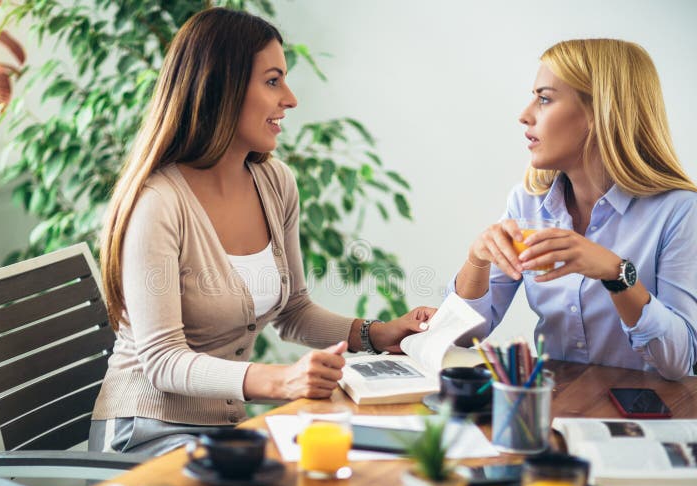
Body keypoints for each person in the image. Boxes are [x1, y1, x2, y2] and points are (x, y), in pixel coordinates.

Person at [89, 7, 434, 455]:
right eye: (273, 81)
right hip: (145, 432)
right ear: (221, 89)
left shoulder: (274, 183)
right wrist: (281, 379)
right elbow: (162, 362)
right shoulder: (158, 203)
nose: (290, 99)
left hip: (220, 432)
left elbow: (293, 311)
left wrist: (377, 333)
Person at [451, 39, 697, 380]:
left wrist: (616, 273)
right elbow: (460, 336)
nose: (524, 115)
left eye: (544, 99)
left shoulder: (679, 212)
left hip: (647, 422)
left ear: (600, 112)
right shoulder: (527, 202)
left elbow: (679, 362)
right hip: (554, 412)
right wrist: (476, 259)